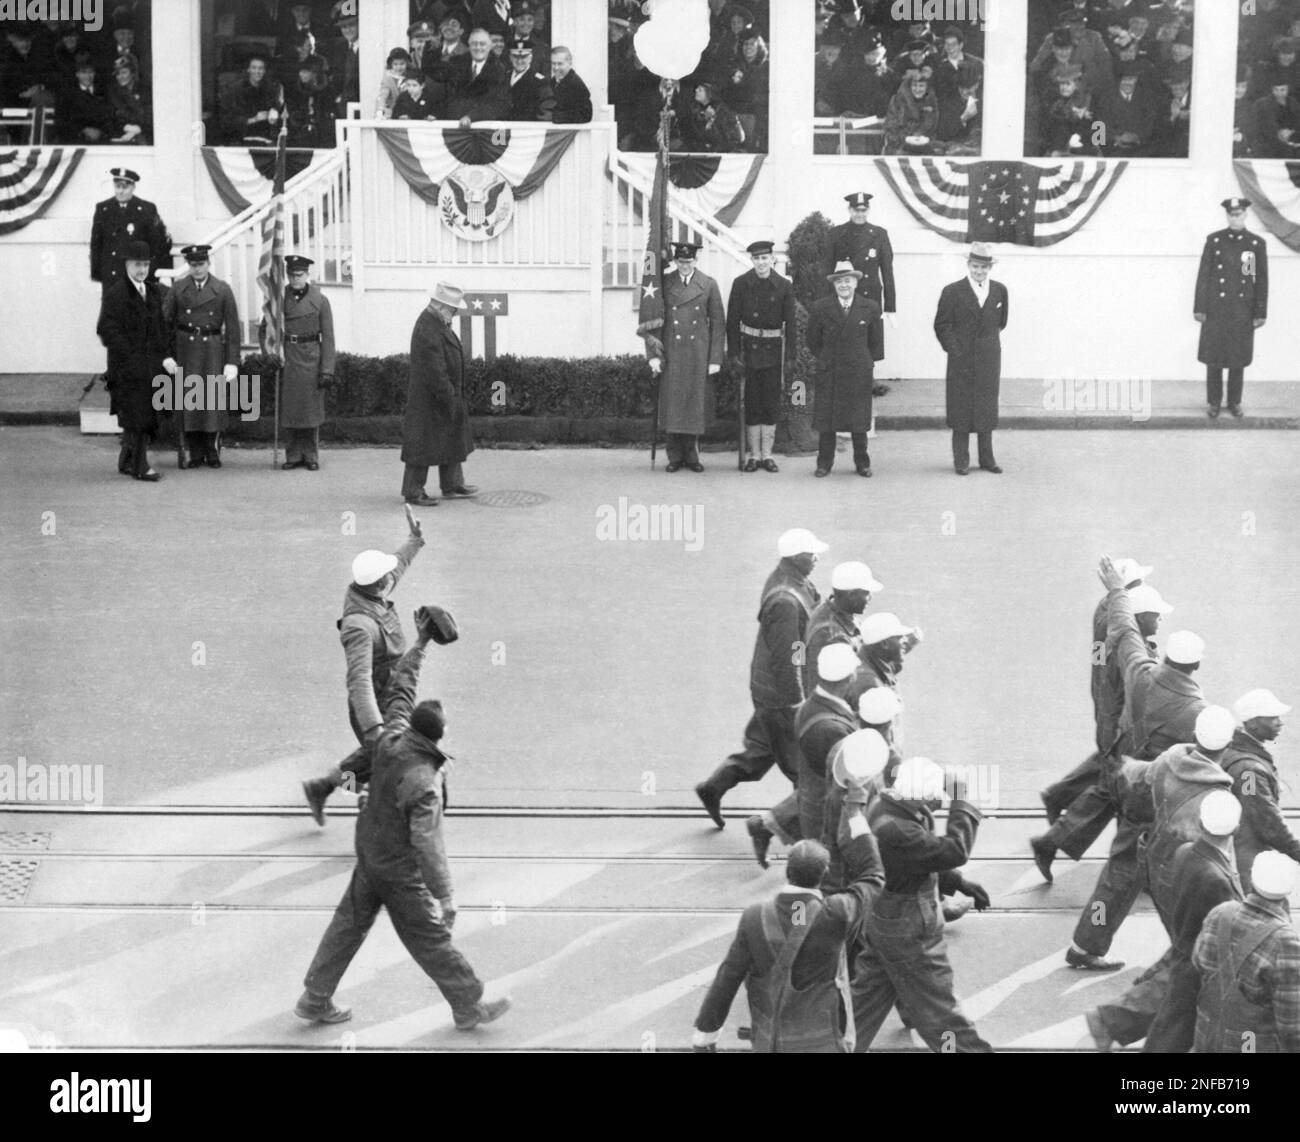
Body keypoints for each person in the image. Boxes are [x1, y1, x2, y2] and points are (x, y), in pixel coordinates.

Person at [296, 615, 511, 1031]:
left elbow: (401, 686)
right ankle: (469, 1005)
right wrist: (445, 895)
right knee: (429, 937)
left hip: (370, 851)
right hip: (398, 869)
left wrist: (423, 641)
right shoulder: (424, 783)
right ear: (439, 739)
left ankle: (315, 997)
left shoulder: (391, 733)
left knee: (348, 925)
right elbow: (427, 842)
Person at [1067, 555, 1208, 971]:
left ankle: (1090, 943)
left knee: (1134, 867)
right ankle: (1195, 952)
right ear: (1196, 665)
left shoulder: (1141, 672)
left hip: (1130, 780)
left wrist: (1116, 592)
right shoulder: (1195, 709)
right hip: (1158, 798)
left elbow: (1124, 629)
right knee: (1156, 870)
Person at [1080, 708, 1237, 1048]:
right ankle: (1113, 1020)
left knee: (1184, 953)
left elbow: (1132, 778)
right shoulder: (1216, 792)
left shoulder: (1170, 760)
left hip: (1159, 864)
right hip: (1193, 877)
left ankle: (1116, 1019)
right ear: (1228, 743)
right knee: (1192, 962)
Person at [692, 793, 886, 1053]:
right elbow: (874, 877)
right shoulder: (837, 913)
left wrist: (706, 1034)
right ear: (824, 873)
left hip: (771, 1041)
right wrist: (855, 816)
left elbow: (728, 977)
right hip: (823, 1040)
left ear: (788, 871)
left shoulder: (754, 918)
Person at [1033, 571, 1170, 882]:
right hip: (1124, 736)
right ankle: (1132, 863)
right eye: (1156, 615)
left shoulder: (1118, 635)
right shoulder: (1135, 652)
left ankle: (1056, 824)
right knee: (1123, 795)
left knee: (1114, 792)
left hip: (1117, 732)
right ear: (1139, 615)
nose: (1161, 620)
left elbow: (1102, 672)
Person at [850, 758, 993, 1053]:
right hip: (908, 931)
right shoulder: (898, 829)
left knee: (861, 1006)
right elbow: (953, 850)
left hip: (885, 921)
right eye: (933, 794)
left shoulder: (886, 805)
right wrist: (962, 801)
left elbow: (912, 860)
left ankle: (829, 1046)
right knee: (941, 1014)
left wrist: (956, 882)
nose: (938, 798)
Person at [302, 512, 433, 826]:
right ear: (379, 583)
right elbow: (358, 680)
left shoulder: (371, 591)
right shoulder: (359, 627)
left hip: (392, 694)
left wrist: (415, 540)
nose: (392, 576)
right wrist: (374, 727)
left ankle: (325, 786)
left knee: (367, 761)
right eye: (387, 575)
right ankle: (364, 806)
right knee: (382, 768)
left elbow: (397, 565)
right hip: (375, 704)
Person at [695, 527, 827, 832]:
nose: (817, 558)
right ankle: (798, 833)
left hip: (768, 688)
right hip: (781, 696)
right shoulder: (786, 601)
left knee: (762, 749)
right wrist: (798, 702)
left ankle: (714, 787)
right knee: (804, 769)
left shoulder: (794, 580)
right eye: (812, 554)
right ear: (796, 558)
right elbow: (789, 654)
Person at [1192, 850, 1300, 1053]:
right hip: (1248, 1045)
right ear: (1289, 892)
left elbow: (1198, 963)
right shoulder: (1285, 942)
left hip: (1208, 1036)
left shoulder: (1220, 913)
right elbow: (1292, 1026)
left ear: (1251, 879)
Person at [641, 242, 726, 473]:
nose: (685, 266)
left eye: (688, 262)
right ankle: (674, 457)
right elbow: (654, 320)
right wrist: (653, 355)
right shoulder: (665, 283)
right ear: (676, 261)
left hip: (698, 353)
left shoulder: (708, 284)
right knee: (673, 404)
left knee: (693, 404)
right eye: (680, 262)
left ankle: (692, 455)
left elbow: (718, 324)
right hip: (672, 352)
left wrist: (715, 358)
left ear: (695, 261)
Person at [161, 246, 242, 470]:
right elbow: (164, 325)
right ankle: (195, 451)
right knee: (191, 400)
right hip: (186, 349)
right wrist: (166, 355)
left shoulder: (222, 289)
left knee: (212, 401)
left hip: (212, 349)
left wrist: (232, 361)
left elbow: (233, 328)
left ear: (208, 263)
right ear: (189, 265)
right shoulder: (178, 289)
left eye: (201, 264)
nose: (197, 269)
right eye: (193, 265)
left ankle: (211, 450)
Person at [95, 239, 169, 483]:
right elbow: (106, 329)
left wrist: (165, 356)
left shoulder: (152, 291)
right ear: (127, 264)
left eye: (145, 265)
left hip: (149, 367)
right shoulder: (117, 293)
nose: (142, 270)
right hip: (127, 368)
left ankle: (127, 460)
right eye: (138, 264)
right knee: (137, 416)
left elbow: (159, 328)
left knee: (144, 414)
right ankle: (140, 466)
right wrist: (131, 355)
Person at [401, 282, 479, 506]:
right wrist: (449, 395)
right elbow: (435, 369)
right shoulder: (429, 327)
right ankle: (413, 491)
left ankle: (452, 484)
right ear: (443, 307)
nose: (454, 313)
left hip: (442, 394)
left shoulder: (436, 322)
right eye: (454, 309)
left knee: (452, 437)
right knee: (421, 445)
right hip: (431, 399)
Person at [934, 242, 1008, 476]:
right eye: (976, 266)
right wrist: (955, 349)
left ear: (990, 268)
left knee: (986, 407)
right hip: (961, 359)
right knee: (961, 408)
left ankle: (987, 459)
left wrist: (987, 345)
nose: (980, 271)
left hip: (988, 359)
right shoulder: (952, 291)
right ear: (968, 265)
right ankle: (961, 460)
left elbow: (1001, 321)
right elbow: (942, 325)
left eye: (984, 267)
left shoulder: (999, 291)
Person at [1194, 198, 1268, 420]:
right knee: (1214, 358)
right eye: (1231, 215)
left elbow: (1256, 279)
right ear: (1227, 216)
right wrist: (1200, 307)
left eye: (1239, 214)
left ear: (1246, 215)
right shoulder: (1215, 241)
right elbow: (1204, 277)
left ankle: (1234, 402)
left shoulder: (1253, 244)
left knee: (1238, 357)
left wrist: (1259, 311)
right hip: (1216, 309)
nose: (1235, 218)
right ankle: (1214, 402)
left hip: (1240, 310)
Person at [806, 261, 880, 479]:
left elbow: (876, 343)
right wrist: (827, 359)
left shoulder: (870, 307)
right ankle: (824, 463)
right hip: (831, 369)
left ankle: (862, 463)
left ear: (856, 282)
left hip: (858, 370)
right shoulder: (820, 307)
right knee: (827, 421)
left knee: (859, 421)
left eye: (848, 280)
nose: (844, 285)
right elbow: (812, 341)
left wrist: (863, 361)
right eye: (839, 281)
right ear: (834, 284)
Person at [727, 240, 795, 472]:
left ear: (772, 259)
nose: (761, 263)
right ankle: (753, 456)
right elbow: (732, 322)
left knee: (770, 403)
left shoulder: (784, 286)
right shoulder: (741, 284)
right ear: (752, 260)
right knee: (752, 403)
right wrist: (734, 354)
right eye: (757, 259)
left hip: (774, 351)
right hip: (749, 350)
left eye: (765, 258)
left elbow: (792, 325)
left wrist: (790, 358)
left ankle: (768, 455)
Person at [1223, 689, 1299, 893]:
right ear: (1253, 722)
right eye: (1272, 717)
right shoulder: (1249, 770)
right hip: (1249, 861)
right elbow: (1264, 817)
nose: (1279, 722)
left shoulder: (1238, 752)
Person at [277, 256, 336, 472]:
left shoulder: (320, 300)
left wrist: (327, 369)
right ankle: (292, 454)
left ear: (307, 275)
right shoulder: (278, 298)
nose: (295, 279)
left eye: (299, 275)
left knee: (310, 411)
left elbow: (328, 337)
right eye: (291, 275)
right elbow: (267, 328)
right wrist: (273, 353)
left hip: (312, 357)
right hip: (289, 356)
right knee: (291, 409)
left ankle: (311, 454)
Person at [827, 192, 894, 363]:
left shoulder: (879, 234)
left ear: (868, 210)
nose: (860, 214)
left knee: (870, 339)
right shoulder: (836, 233)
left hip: (870, 294)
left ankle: (868, 380)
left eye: (864, 210)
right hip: (845, 294)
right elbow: (826, 269)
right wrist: (827, 300)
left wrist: (890, 306)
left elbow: (887, 272)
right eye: (856, 210)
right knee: (846, 337)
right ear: (849, 210)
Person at [802, 561, 882, 694]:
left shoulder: (834, 612)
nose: (870, 597)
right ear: (851, 595)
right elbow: (843, 688)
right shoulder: (831, 635)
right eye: (867, 593)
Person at [89, 167, 172, 297]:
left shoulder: (146, 209)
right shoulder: (103, 209)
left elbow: (156, 245)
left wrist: (152, 275)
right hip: (111, 276)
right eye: (117, 187)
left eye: (124, 187)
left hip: (137, 276)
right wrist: (98, 275)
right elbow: (96, 244)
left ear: (133, 187)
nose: (120, 191)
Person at [445, 26, 510, 124]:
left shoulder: (498, 69)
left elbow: (497, 104)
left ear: (489, 47)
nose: (478, 47)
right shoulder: (456, 64)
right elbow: (449, 96)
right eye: (474, 44)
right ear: (469, 46)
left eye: (482, 44)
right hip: (457, 122)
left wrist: (471, 116)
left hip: (484, 125)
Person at [222, 54, 283, 145]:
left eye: (261, 68)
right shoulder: (235, 89)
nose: (257, 71)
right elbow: (227, 120)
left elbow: (278, 113)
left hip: (266, 139)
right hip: (241, 139)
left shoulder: (270, 89)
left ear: (264, 71)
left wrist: (274, 118)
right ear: (248, 70)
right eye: (254, 68)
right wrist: (253, 119)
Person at [59, 56, 116, 143]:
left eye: (90, 72)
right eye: (83, 73)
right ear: (77, 74)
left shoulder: (104, 92)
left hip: (101, 139)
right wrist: (83, 130)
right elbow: (62, 120)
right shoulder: (67, 95)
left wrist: (100, 132)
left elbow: (110, 115)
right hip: (76, 140)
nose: (88, 76)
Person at [882, 69, 939, 153]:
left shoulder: (931, 101)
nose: (918, 89)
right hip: (899, 144)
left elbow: (932, 124)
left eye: (921, 86)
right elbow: (891, 126)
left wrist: (919, 137)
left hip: (924, 143)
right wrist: (905, 138)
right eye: (914, 85)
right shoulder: (897, 101)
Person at [326, 0, 361, 120]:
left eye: (351, 25)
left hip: (362, 105)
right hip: (342, 106)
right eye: (343, 27)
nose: (347, 30)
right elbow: (335, 76)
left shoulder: (368, 47)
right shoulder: (339, 47)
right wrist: (337, 97)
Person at [505, 38, 554, 120]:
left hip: (525, 130)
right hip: (503, 130)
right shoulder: (504, 77)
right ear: (510, 57)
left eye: (523, 57)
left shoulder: (540, 82)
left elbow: (546, 110)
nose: (519, 61)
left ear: (530, 58)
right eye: (516, 56)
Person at [108, 55, 150, 143]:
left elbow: (148, 113)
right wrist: (129, 128)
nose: (120, 77)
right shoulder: (114, 92)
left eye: (124, 72)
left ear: (133, 74)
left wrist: (138, 129)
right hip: (121, 134)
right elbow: (117, 114)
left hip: (145, 133)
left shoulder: (144, 89)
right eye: (118, 74)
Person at [550, 45, 592, 124]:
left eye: (560, 64)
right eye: (553, 63)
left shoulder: (576, 84)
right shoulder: (552, 82)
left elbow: (585, 115)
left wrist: (555, 117)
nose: (556, 68)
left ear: (570, 63)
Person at [375, 47, 412, 118]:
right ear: (391, 65)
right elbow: (383, 96)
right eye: (395, 64)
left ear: (407, 63)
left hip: (409, 114)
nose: (399, 67)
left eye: (402, 64)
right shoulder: (388, 79)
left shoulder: (411, 77)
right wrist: (380, 110)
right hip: (392, 114)